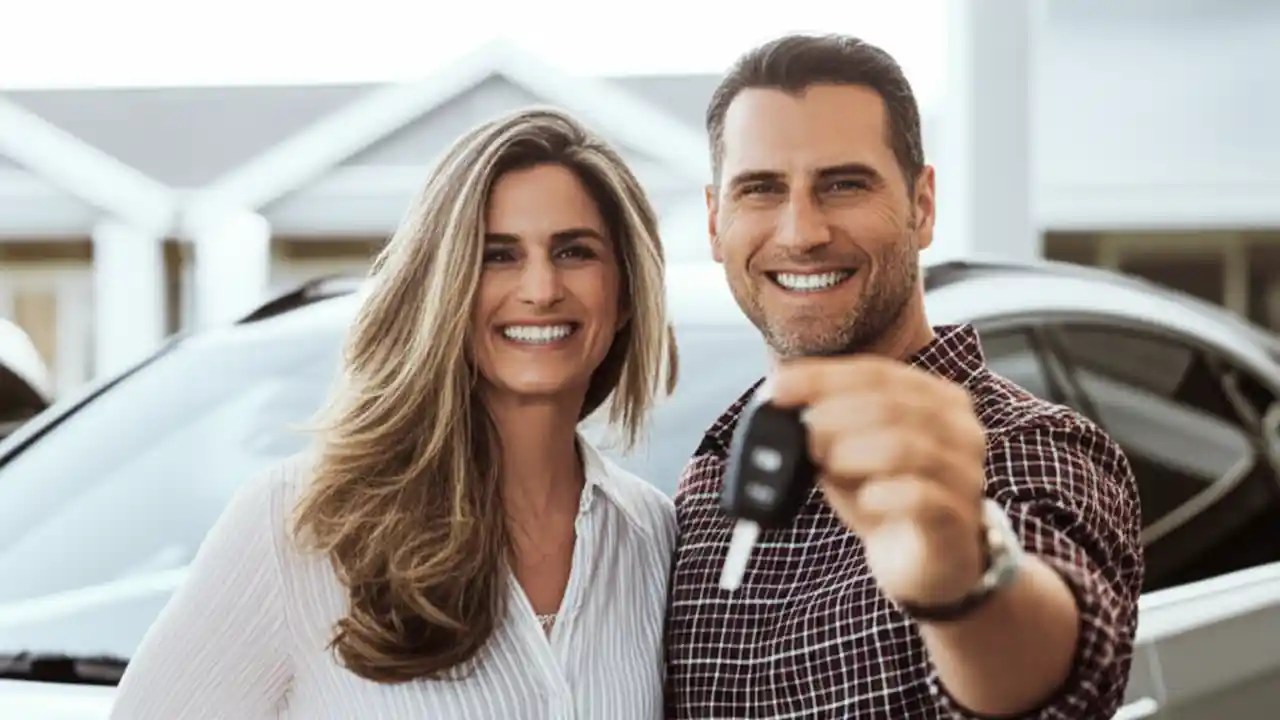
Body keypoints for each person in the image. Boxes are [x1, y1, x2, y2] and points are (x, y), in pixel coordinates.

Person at [111, 106, 679, 719]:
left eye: (573, 252)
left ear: (624, 294)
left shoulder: (652, 536)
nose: (541, 289)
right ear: (441, 289)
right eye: (497, 255)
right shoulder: (299, 525)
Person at [664, 34, 1144, 719]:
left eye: (844, 184)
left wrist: (963, 580)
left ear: (922, 204)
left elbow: (1053, 674)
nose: (801, 231)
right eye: (762, 189)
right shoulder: (709, 476)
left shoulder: (1031, 449)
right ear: (716, 222)